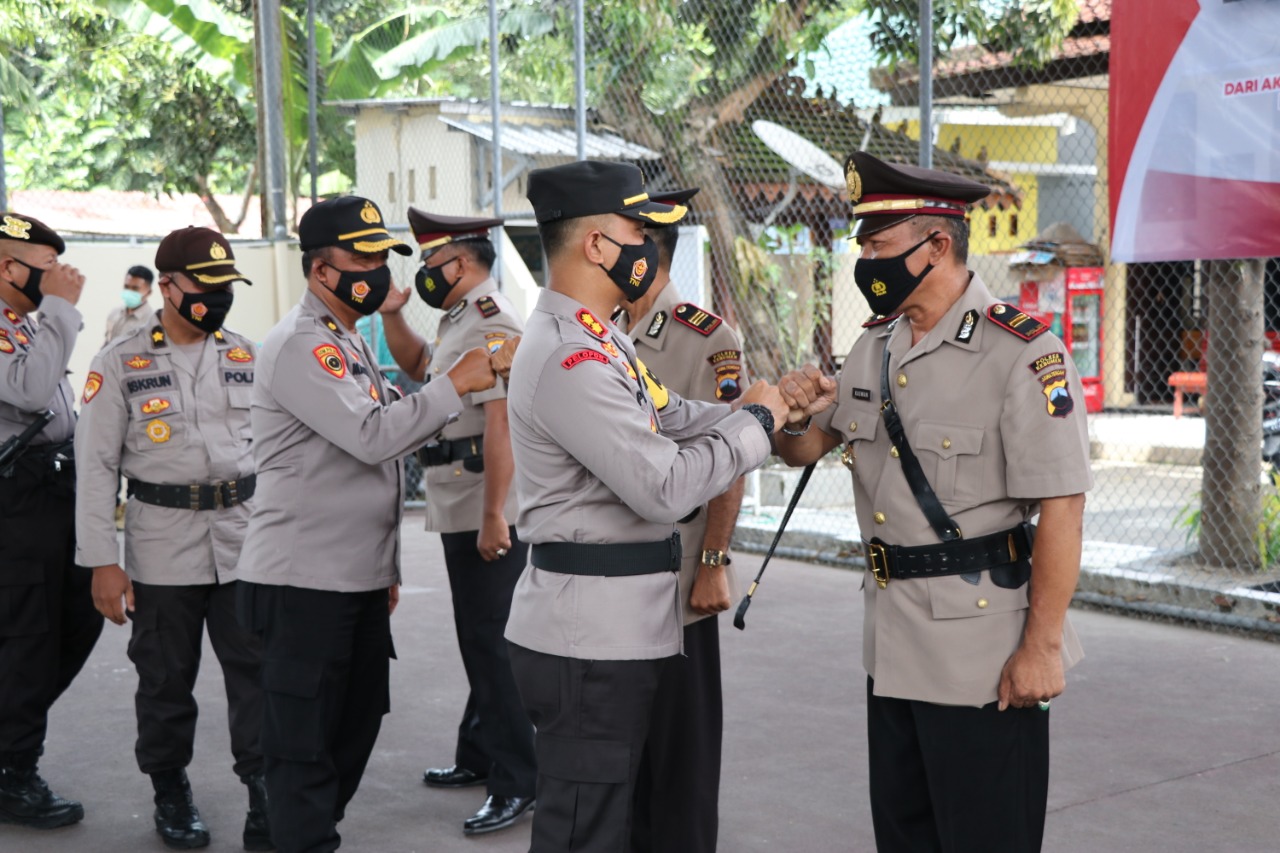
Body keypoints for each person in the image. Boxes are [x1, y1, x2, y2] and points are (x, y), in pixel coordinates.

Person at [774, 151, 1093, 853]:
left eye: (879, 246)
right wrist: (792, 415)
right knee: (905, 837)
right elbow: (808, 447)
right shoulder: (875, 347)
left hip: (983, 652)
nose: (865, 261)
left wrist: (1042, 648)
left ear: (936, 246)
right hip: (891, 645)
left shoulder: (1023, 353)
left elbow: (1062, 508)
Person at [503, 160, 789, 853]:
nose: (647, 243)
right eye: (635, 228)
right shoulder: (571, 355)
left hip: (617, 629)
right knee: (585, 832)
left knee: (621, 820)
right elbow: (661, 484)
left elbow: (674, 414)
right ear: (597, 244)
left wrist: (759, 409)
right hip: (588, 642)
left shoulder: (603, 339)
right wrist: (757, 426)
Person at [235, 196, 503, 853]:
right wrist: (456, 383)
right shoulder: (302, 343)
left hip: (351, 579)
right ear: (321, 270)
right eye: (362, 258)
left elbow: (371, 473)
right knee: (302, 749)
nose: (378, 270)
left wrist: (385, 571)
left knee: (352, 727)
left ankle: (297, 835)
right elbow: (371, 437)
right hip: (303, 584)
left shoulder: (347, 336)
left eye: (382, 256)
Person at [74, 227, 270, 851]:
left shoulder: (246, 354)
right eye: (204, 288)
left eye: (225, 288)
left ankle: (264, 790)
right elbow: (97, 467)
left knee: (259, 675)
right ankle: (170, 788)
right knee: (164, 679)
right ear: (167, 287)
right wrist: (103, 561)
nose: (217, 299)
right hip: (162, 547)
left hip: (244, 541)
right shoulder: (120, 360)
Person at [377, 209, 535, 835]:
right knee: (478, 635)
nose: (423, 275)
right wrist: (392, 314)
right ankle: (478, 754)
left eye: (430, 264)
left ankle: (519, 780)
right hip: (460, 495)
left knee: (493, 642)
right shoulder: (459, 319)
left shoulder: (495, 321)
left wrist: (496, 514)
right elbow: (420, 367)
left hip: (483, 501)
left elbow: (503, 424)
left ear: (461, 263)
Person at [611, 188, 746, 853]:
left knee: (681, 768)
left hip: (677, 582)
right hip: (610, 585)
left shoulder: (706, 336)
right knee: (619, 770)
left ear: (645, 250)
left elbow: (730, 454)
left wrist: (714, 563)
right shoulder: (597, 330)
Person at [0, 212, 103, 830]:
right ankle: (14, 769)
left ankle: (9, 735)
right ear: (6, 268)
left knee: (78, 617)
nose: (57, 279)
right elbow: (35, 392)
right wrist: (61, 310)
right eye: (43, 269)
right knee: (28, 634)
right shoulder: (29, 326)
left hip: (53, 488)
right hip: (16, 499)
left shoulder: (22, 325)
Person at [104, 265, 155, 344]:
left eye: (135, 288)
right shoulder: (114, 313)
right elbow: (107, 343)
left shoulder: (152, 322)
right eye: (126, 287)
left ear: (149, 292)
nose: (129, 292)